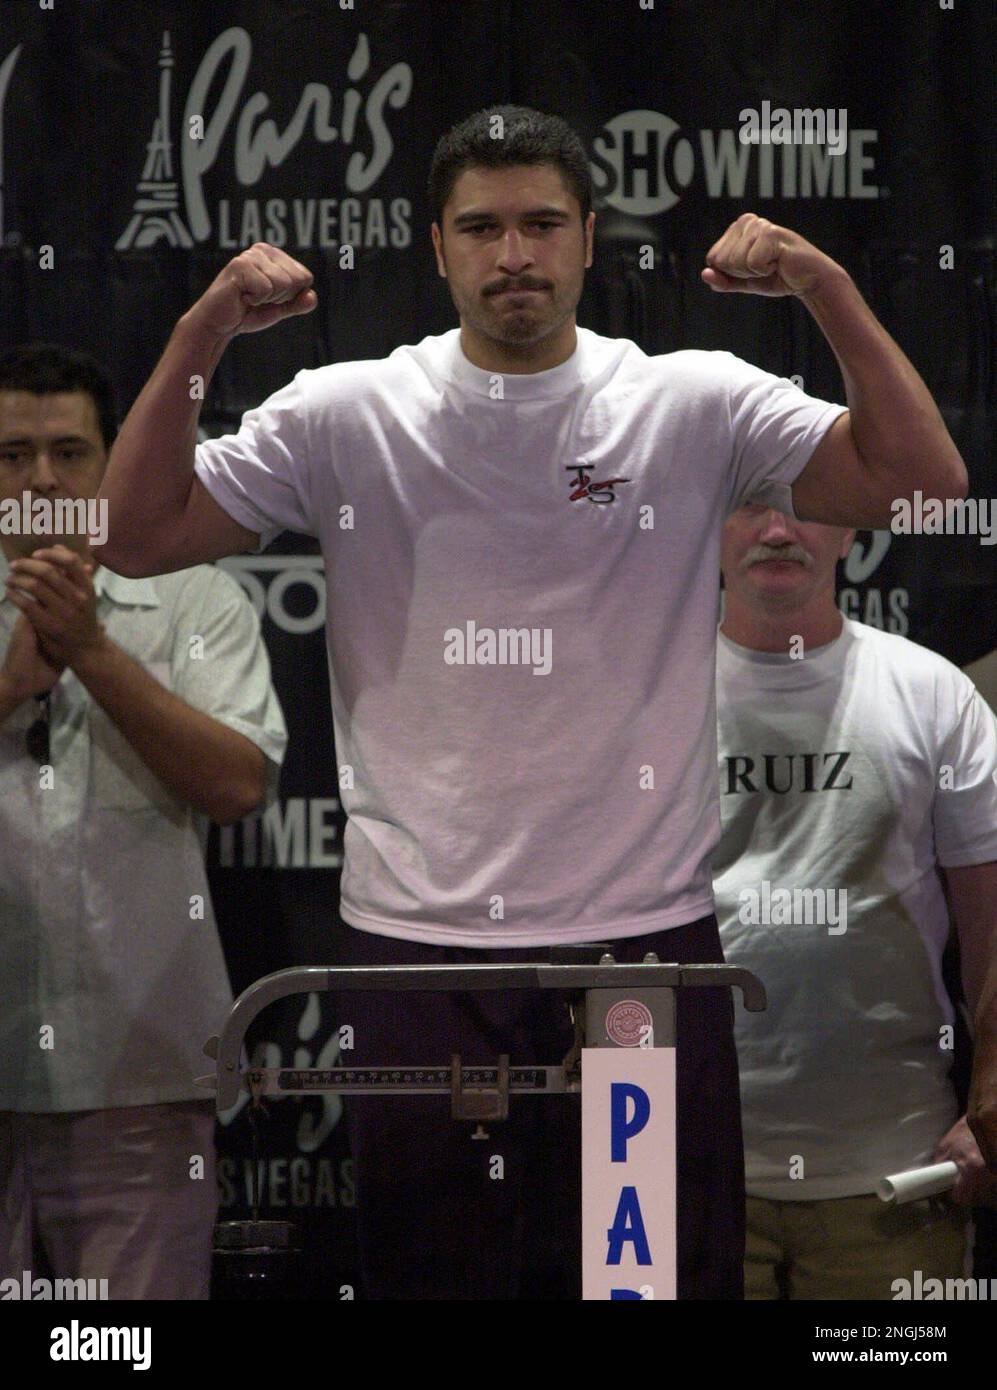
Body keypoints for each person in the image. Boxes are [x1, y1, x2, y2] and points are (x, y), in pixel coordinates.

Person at [91, 104, 967, 1299]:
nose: (515, 255)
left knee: (638, 1287)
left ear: (590, 236)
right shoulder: (345, 410)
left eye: (543, 223)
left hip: (637, 964)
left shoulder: (690, 399)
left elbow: (922, 483)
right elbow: (134, 538)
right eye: (484, 227)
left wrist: (823, 285)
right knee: (440, 1288)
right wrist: (201, 328)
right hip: (419, 959)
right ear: (435, 245)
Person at [0, 344, 288, 1299]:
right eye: (11, 454)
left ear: (115, 459)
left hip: (140, 1074)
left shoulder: (195, 597)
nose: (40, 476)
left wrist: (89, 648)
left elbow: (239, 784)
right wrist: (9, 688)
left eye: (69, 452)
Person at [712, 502, 997, 1298]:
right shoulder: (641, 700)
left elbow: (991, 925)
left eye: (806, 508)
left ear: (849, 529)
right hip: (678, 1172)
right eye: (748, 507)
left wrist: (992, 1100)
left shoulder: (930, 694)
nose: (777, 530)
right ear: (703, 521)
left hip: (895, 1178)